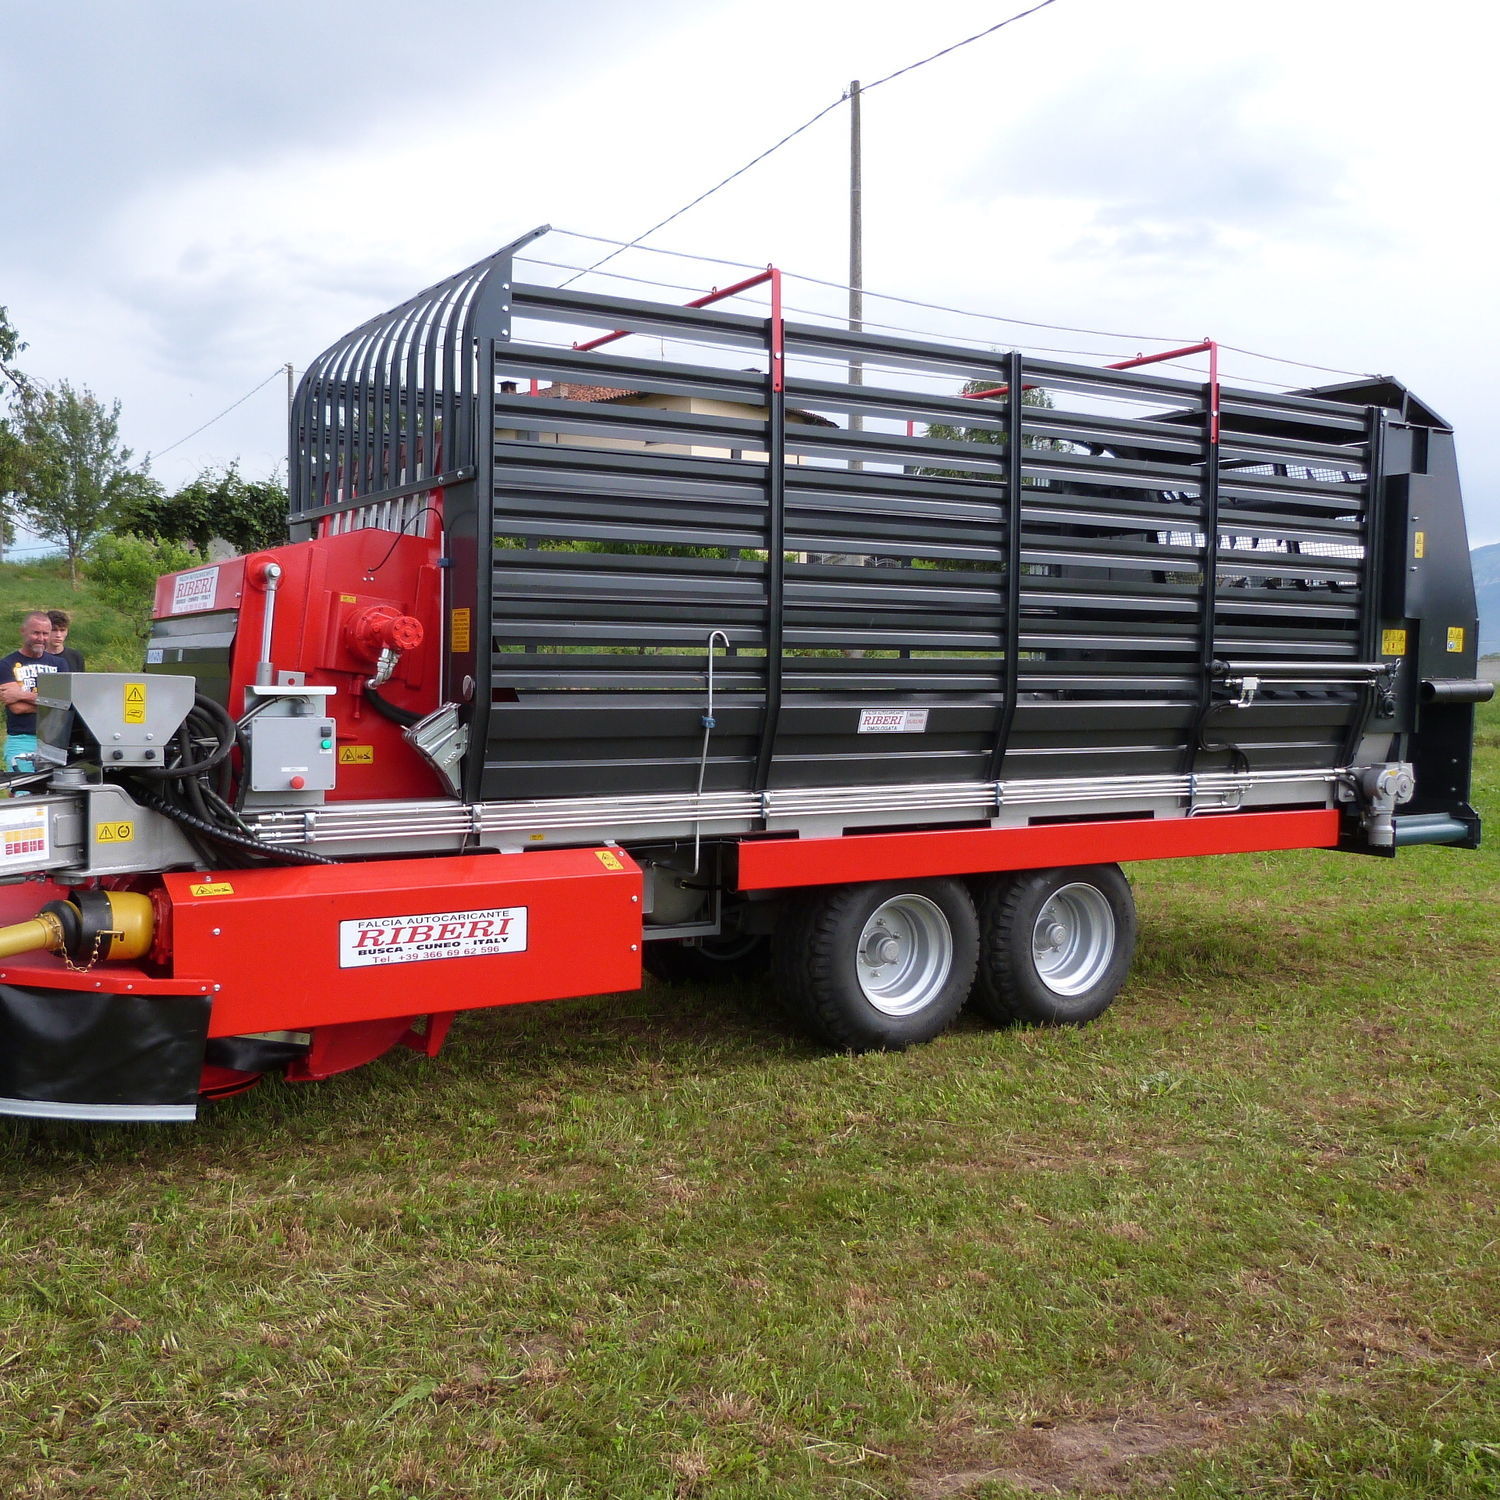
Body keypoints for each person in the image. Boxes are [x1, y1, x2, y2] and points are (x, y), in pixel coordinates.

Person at [0, 612, 70, 774]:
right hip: (22, 739)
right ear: (23, 631)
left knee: (54, 795)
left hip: (55, 741)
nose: (41, 638)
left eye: (45, 633)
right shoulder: (6, 664)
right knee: (24, 793)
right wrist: (53, 705)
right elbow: (17, 708)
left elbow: (65, 704)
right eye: (36, 633)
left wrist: (21, 695)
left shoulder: (60, 664)